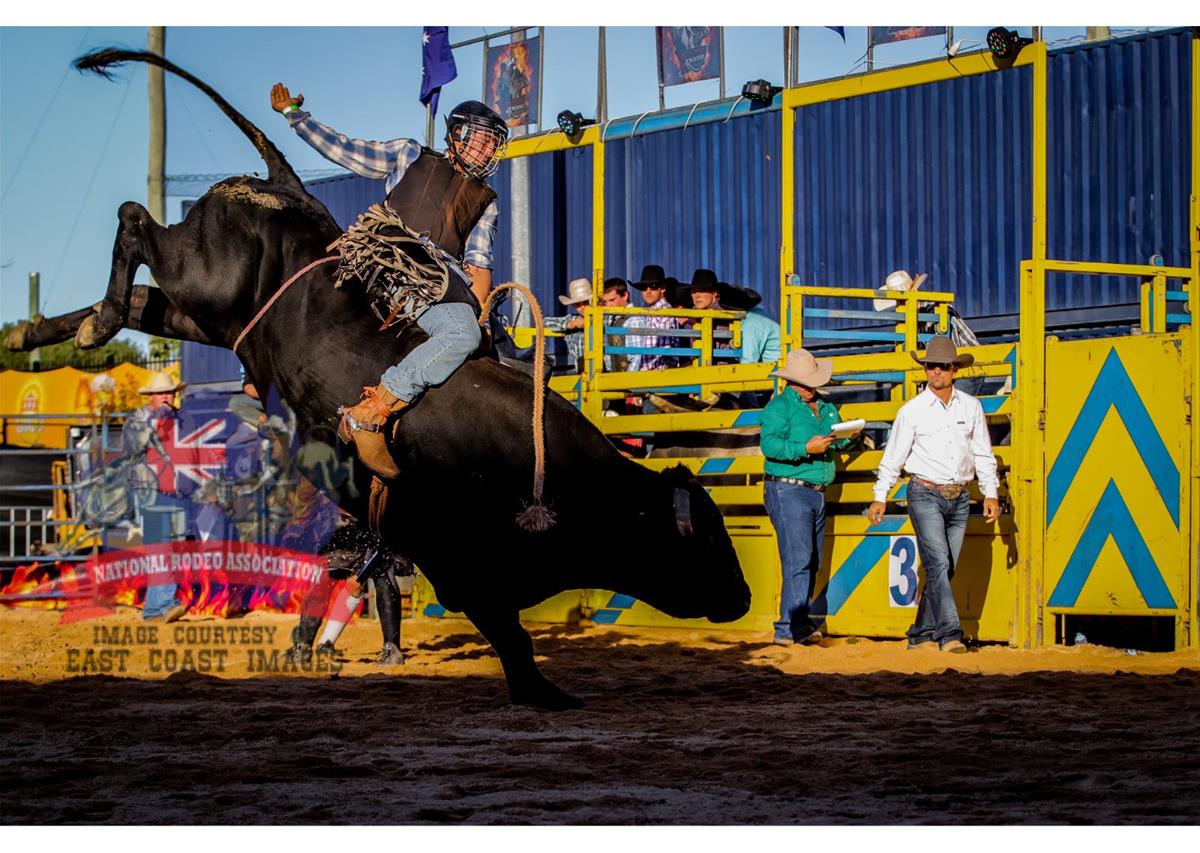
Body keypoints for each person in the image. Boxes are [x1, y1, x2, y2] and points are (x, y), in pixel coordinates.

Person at [270, 84, 510, 478]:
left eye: (493, 145)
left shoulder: (488, 201)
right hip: (388, 267)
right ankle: (371, 413)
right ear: (457, 135)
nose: (488, 151)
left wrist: (480, 317)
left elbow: (479, 264)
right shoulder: (409, 154)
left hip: (442, 284)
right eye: (483, 140)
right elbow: (346, 149)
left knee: (480, 341)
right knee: (461, 336)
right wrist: (296, 116)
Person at [867, 336, 1001, 653]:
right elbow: (893, 457)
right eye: (930, 366)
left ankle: (920, 632)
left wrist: (990, 493)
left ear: (954, 369)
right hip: (924, 492)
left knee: (945, 565)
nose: (936, 371)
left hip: (960, 496)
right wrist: (880, 495)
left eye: (942, 366)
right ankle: (950, 632)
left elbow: (983, 454)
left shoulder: (971, 407)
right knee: (940, 562)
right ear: (925, 369)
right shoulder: (912, 411)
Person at [760, 349, 856, 646]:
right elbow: (769, 446)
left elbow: (830, 444)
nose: (807, 386)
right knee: (800, 558)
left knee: (808, 559)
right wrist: (805, 448)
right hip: (789, 488)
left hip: (810, 489)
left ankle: (796, 624)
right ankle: (789, 626)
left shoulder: (824, 406)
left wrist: (846, 439)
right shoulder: (779, 407)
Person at [124, 371, 188, 624]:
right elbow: (132, 447)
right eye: (161, 393)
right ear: (151, 396)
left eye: (170, 392)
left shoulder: (179, 419)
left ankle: (152, 610)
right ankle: (167, 602)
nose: (167, 397)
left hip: (175, 491)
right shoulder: (139, 420)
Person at [874, 269, 985, 396]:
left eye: (900, 305)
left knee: (951, 408)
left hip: (967, 370)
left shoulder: (939, 313)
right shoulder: (908, 323)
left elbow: (953, 356)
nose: (898, 310)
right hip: (942, 374)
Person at [626, 264, 682, 371]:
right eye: (644, 287)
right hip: (650, 375)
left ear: (663, 289)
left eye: (653, 286)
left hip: (658, 376)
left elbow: (664, 353)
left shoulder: (665, 312)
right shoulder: (650, 312)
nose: (648, 291)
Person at [544, 277, 591, 371]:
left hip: (606, 373)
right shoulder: (571, 319)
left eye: (586, 302)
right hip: (582, 372)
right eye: (577, 304)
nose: (582, 307)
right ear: (573, 305)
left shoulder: (605, 317)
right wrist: (568, 325)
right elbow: (544, 322)